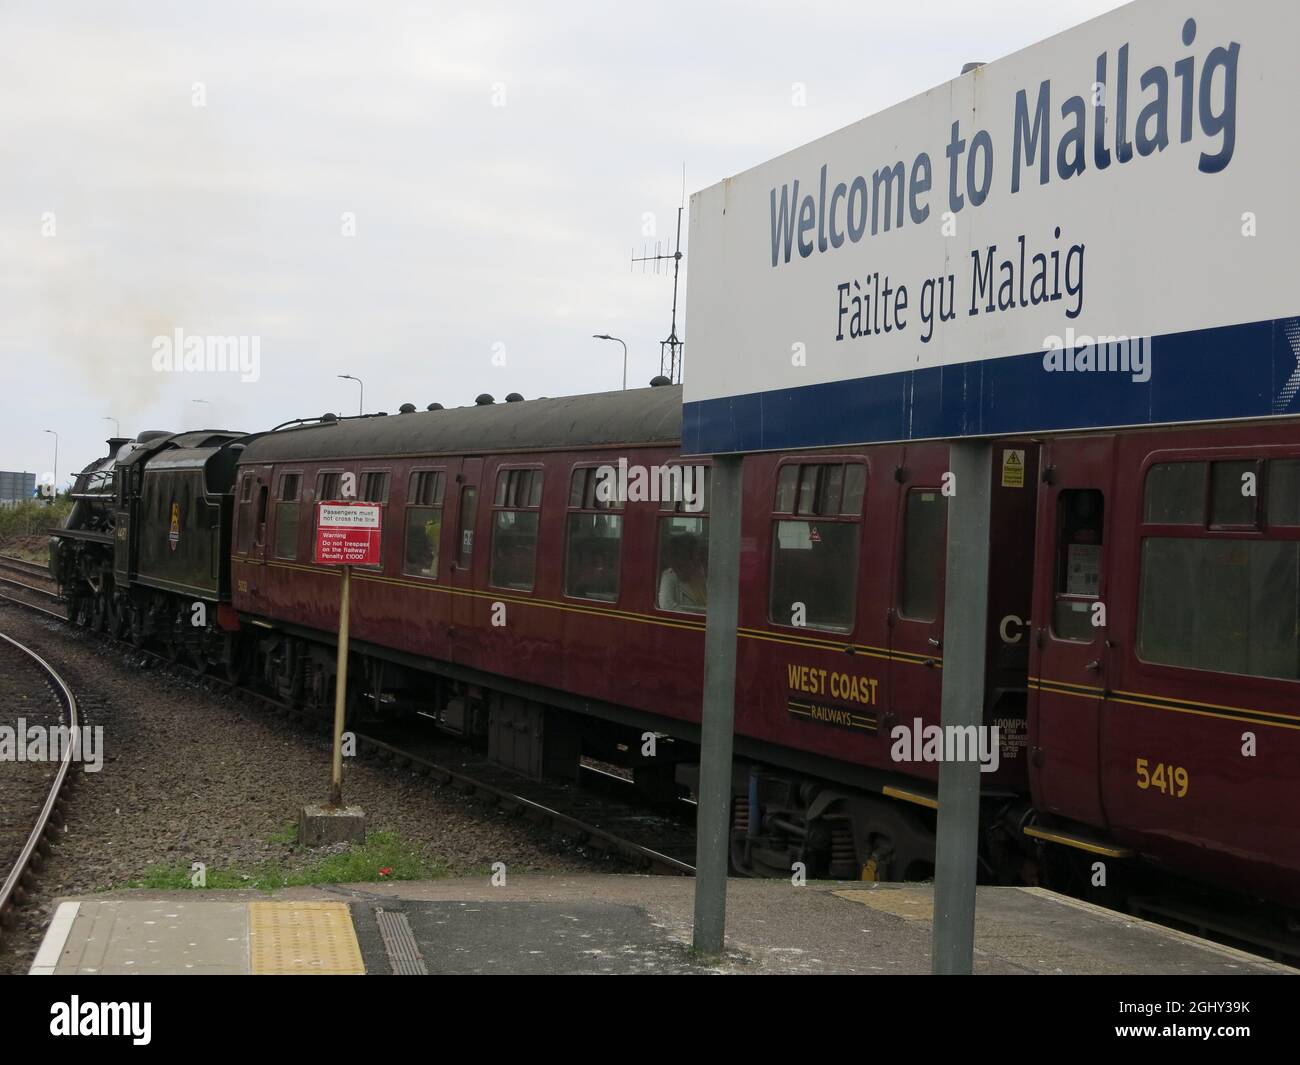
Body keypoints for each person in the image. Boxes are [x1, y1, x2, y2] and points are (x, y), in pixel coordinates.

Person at [658, 537, 706, 612]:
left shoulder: (699, 572)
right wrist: (692, 617)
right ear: (684, 555)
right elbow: (666, 605)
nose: (698, 557)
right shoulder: (669, 576)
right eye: (695, 553)